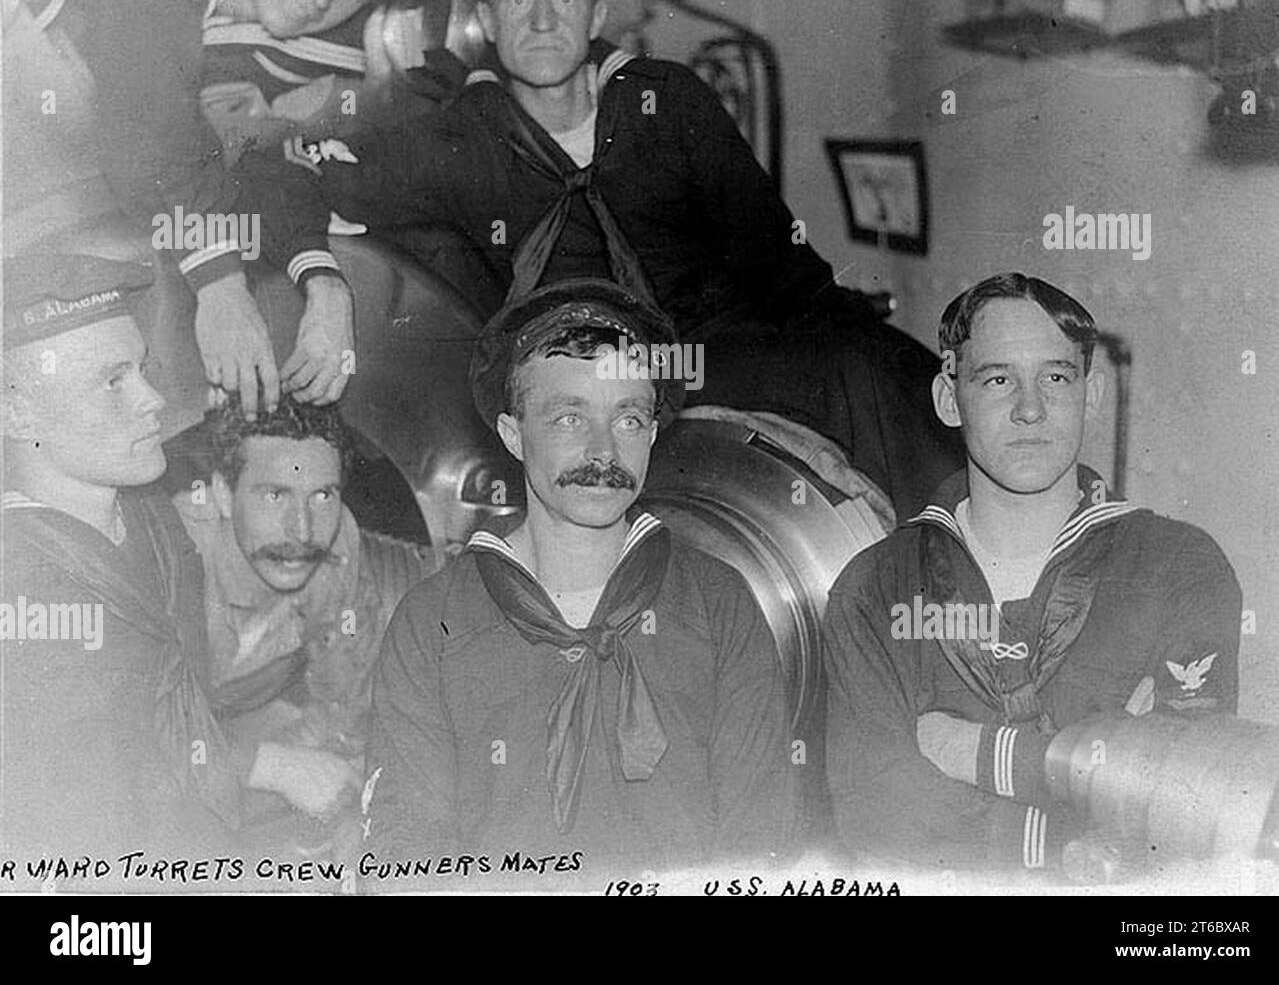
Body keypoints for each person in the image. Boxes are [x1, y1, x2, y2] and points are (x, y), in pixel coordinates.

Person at [232, 0, 964, 518]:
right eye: (519, 1)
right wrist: (321, 281)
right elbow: (277, 168)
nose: (544, 21)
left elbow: (774, 258)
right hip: (583, 381)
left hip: (717, 361)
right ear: (487, 18)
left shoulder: (666, 102)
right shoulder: (455, 139)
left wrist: (854, 327)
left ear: (598, 12)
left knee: (879, 372)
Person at [364, 279, 797, 880]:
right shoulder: (432, 620)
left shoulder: (718, 605)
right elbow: (403, 852)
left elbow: (761, 841)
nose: (604, 450)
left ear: (652, 433)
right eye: (570, 417)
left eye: (628, 418)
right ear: (513, 434)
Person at [824, 273, 1243, 875]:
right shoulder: (876, 586)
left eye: (1055, 377)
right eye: (998, 379)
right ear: (949, 398)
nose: (1030, 408)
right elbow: (880, 819)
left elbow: (1186, 804)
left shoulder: (1179, 566)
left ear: (1090, 395)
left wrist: (972, 752)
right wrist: (1087, 800)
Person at [57, 0, 449, 415]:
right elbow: (149, 115)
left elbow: (262, 157)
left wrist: (323, 280)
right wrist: (219, 283)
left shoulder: (321, 39)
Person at [0, 253, 242, 868]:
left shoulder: (154, 521)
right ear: (15, 414)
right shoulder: (18, 585)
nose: (154, 399)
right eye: (113, 381)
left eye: (141, 369)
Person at [174, 396, 444, 837]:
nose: (302, 531)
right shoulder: (171, 550)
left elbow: (351, 697)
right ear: (223, 494)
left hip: (239, 715)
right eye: (275, 494)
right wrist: (271, 766)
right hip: (161, 744)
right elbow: (114, 735)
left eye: (322, 495)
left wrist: (354, 814)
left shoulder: (337, 546)